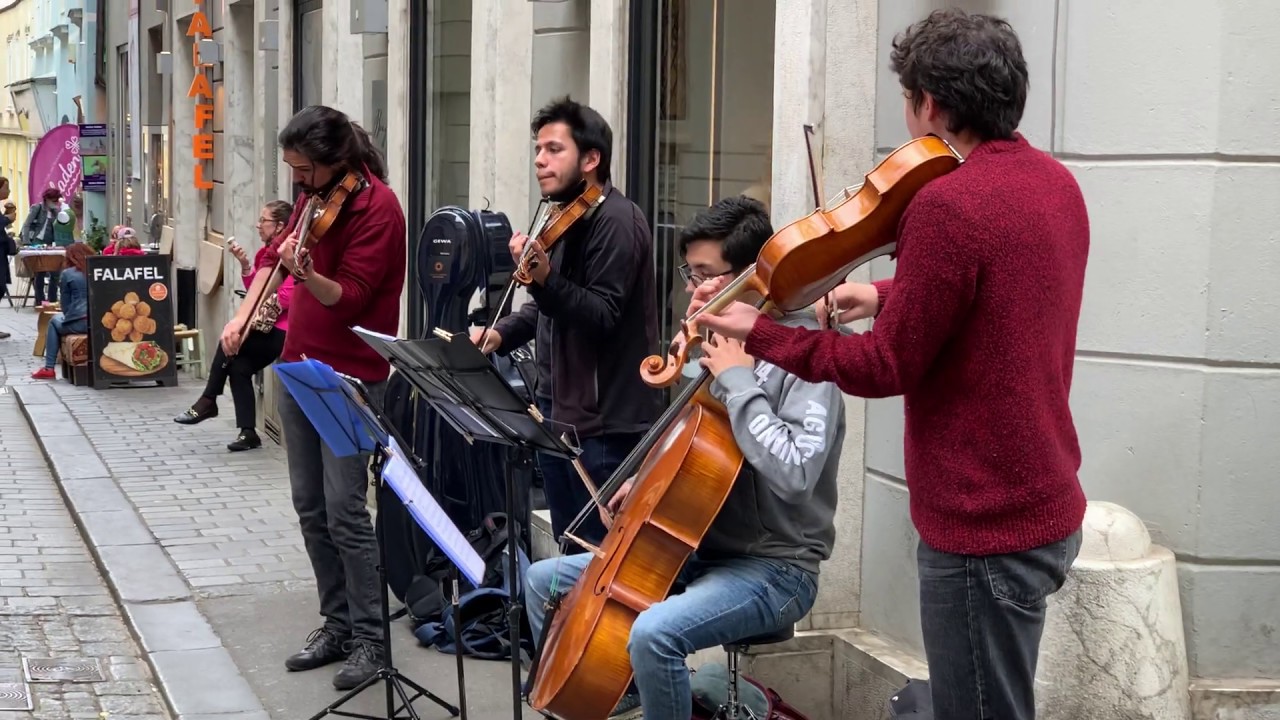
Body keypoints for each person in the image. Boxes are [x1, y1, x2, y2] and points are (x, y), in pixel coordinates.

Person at [694, 9, 1088, 720]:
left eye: (908, 101)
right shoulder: (1056, 185)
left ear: (930, 104)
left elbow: (884, 366)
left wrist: (763, 334)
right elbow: (997, 295)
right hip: (1047, 502)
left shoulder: (947, 207)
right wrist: (878, 292)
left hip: (982, 525)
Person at [525, 196, 846, 719]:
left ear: (753, 278)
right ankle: (620, 701)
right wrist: (643, 486)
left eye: (707, 274)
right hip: (695, 550)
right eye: (689, 272)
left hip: (775, 567)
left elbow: (795, 473)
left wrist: (739, 380)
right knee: (545, 582)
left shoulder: (806, 356)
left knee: (655, 633)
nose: (695, 288)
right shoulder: (713, 345)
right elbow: (695, 457)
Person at [218, 105, 405, 691]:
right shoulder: (314, 197)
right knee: (309, 505)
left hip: (350, 375)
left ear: (334, 161)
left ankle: (373, 639)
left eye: (304, 170)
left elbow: (348, 298)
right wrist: (244, 315)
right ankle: (338, 623)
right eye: (292, 169)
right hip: (298, 364)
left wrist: (309, 272)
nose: (297, 181)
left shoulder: (380, 209)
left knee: (347, 509)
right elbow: (276, 260)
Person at [470, 96, 662, 552]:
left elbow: (601, 314)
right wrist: (502, 333)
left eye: (554, 149)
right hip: (558, 416)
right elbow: (546, 307)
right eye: (538, 149)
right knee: (567, 549)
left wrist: (544, 280)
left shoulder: (617, 220)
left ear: (591, 159)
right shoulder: (564, 215)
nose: (540, 160)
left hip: (603, 427)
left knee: (595, 557)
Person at [174, 201, 295, 452]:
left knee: (229, 339)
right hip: (263, 326)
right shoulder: (266, 255)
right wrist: (246, 266)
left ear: (280, 226)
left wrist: (256, 310)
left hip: (282, 330)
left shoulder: (290, 253)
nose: (258, 225)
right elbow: (255, 290)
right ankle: (248, 432)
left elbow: (288, 295)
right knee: (239, 369)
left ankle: (208, 399)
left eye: (264, 221)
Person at [31, 243, 95, 379]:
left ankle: (49, 368)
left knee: (54, 322)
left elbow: (65, 306)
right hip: (99, 321)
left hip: (80, 322)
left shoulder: (68, 274)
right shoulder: (97, 270)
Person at [22, 187, 67, 304]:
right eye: (52, 200)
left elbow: (60, 227)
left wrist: (57, 212)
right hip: (36, 242)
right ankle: (40, 300)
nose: (54, 202)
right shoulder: (37, 208)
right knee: (39, 272)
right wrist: (26, 242)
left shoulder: (55, 211)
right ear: (46, 199)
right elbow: (27, 225)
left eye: (56, 200)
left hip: (50, 243)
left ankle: (52, 299)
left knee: (55, 272)